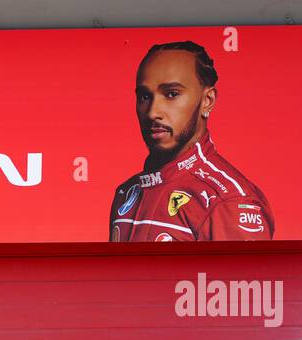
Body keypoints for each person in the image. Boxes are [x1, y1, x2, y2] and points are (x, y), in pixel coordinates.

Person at [109, 40, 274, 242]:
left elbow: (247, 275)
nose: (153, 112)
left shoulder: (227, 202)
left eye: (172, 94)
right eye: (144, 96)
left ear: (207, 101)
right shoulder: (126, 193)